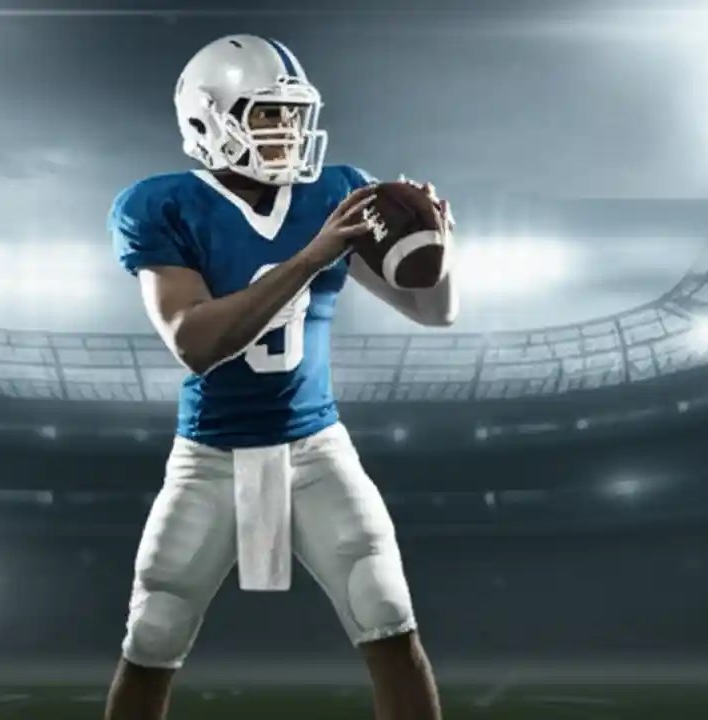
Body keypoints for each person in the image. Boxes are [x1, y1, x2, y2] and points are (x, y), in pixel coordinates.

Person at [105, 34, 457, 720]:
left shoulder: (336, 189)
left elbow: (434, 314)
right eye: (267, 114)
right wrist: (311, 255)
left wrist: (440, 255)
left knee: (388, 615)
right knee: (154, 632)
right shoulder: (161, 203)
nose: (287, 131)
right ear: (209, 118)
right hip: (209, 456)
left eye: (294, 115)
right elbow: (194, 342)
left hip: (316, 447)